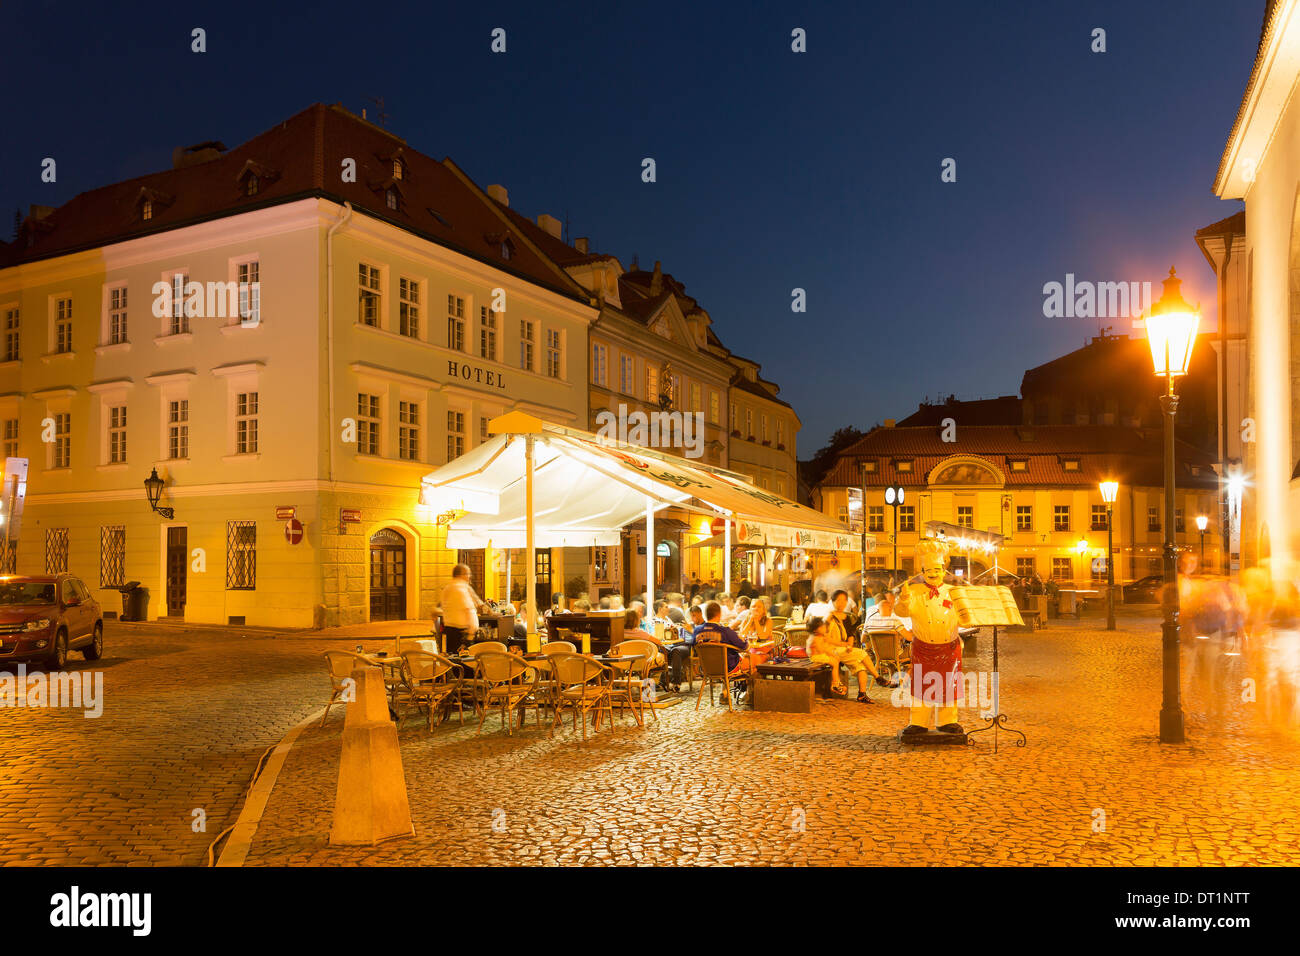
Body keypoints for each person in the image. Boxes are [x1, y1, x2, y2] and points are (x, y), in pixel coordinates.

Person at [806, 614, 883, 702]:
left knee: (839, 661)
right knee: (835, 661)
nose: (825, 629)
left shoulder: (821, 636)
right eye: (822, 627)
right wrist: (832, 653)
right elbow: (821, 649)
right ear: (816, 630)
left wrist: (845, 644)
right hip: (816, 657)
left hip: (821, 655)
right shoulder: (816, 638)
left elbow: (832, 642)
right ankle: (836, 684)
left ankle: (839, 684)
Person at [440, 563, 487, 653]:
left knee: (452, 660)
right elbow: (469, 610)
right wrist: (471, 633)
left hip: (449, 629)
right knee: (464, 663)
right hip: (460, 633)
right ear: (460, 575)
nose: (469, 576)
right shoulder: (460, 589)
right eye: (467, 573)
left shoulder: (448, 588)